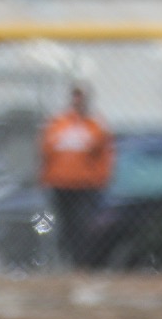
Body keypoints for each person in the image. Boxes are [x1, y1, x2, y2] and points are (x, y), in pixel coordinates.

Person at [37, 85, 114, 267]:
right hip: (60, 183)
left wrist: (102, 178)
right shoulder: (58, 123)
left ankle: (82, 263)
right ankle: (64, 262)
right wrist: (44, 176)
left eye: (82, 97)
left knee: (83, 225)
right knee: (62, 225)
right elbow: (46, 151)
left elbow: (105, 154)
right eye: (76, 97)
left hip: (86, 186)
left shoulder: (96, 125)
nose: (78, 101)